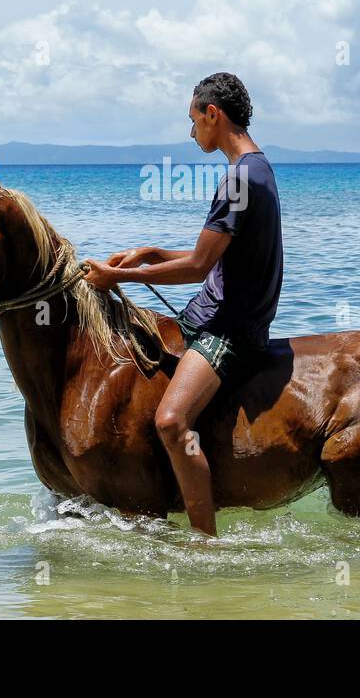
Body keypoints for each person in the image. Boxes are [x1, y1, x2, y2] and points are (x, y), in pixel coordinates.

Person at [83, 72, 284, 536]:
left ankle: (204, 541)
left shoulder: (240, 179)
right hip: (212, 314)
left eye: (193, 120)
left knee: (171, 421)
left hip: (229, 329)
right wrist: (153, 253)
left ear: (213, 114)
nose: (191, 132)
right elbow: (211, 255)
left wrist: (118, 276)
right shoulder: (256, 168)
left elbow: (196, 268)